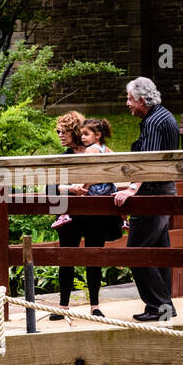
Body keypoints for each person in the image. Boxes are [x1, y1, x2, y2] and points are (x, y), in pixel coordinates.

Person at [115, 76, 179, 322]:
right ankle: (161, 307)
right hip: (165, 191)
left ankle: (159, 305)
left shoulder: (154, 122)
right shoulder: (163, 116)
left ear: (142, 100)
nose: (127, 103)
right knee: (158, 251)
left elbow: (148, 162)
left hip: (152, 194)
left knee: (136, 253)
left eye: (130, 98)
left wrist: (132, 188)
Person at [49, 117, 123, 320]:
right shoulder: (63, 157)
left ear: (75, 131)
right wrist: (68, 188)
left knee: (94, 258)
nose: (60, 136)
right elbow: (50, 186)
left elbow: (115, 171)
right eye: (58, 132)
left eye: (64, 131)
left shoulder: (97, 151)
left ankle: (95, 306)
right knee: (66, 259)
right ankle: (63, 307)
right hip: (71, 215)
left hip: (95, 215)